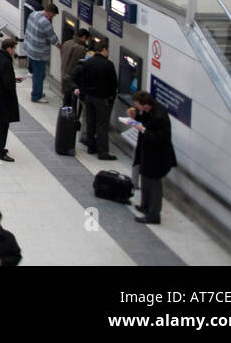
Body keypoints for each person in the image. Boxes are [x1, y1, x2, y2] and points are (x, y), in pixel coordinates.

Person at [128, 90, 176, 224]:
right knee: (145, 180)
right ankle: (145, 206)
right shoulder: (150, 111)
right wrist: (135, 118)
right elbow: (144, 122)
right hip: (148, 154)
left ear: (145, 105)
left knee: (154, 185)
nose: (137, 108)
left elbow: (159, 138)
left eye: (138, 106)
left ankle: (153, 215)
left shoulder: (159, 116)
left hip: (158, 157)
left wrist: (142, 129)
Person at [72, 38, 118, 161]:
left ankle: (91, 147)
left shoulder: (88, 63)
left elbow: (81, 78)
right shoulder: (108, 64)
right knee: (102, 125)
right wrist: (111, 97)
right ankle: (103, 152)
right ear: (104, 50)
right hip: (102, 99)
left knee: (91, 123)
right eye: (107, 50)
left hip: (89, 97)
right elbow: (113, 83)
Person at [22, 3, 60, 103]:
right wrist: (61, 48)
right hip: (38, 53)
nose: (52, 17)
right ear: (49, 13)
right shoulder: (45, 22)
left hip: (30, 49)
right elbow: (53, 38)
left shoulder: (33, 14)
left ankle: (37, 91)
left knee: (37, 74)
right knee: (39, 75)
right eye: (53, 15)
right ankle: (36, 96)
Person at [0, 38, 20, 161]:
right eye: (14, 49)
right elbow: (8, 83)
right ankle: (0, 152)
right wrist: (13, 85)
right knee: (3, 126)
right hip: (5, 98)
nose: (14, 51)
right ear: (9, 48)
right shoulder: (6, 62)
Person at [59, 27, 89, 107]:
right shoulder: (82, 49)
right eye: (86, 40)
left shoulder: (66, 43)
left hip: (64, 73)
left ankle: (65, 114)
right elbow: (81, 64)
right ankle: (72, 117)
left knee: (66, 97)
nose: (86, 42)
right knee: (73, 100)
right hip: (73, 78)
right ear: (83, 37)